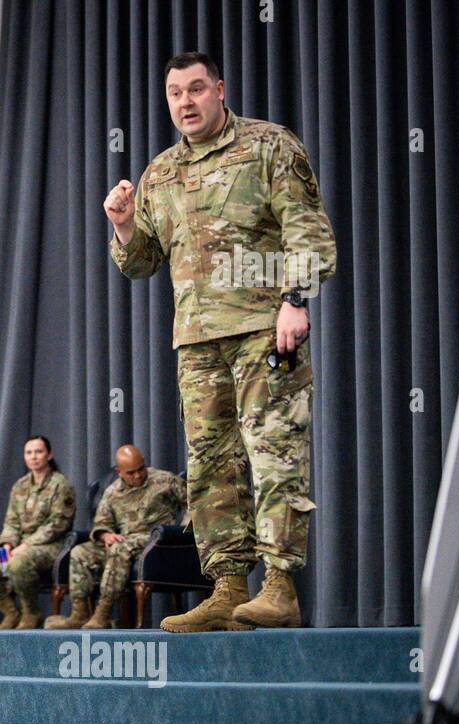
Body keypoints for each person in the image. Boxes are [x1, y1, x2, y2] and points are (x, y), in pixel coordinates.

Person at [104, 51, 335, 631]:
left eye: (196, 89)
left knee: (274, 457)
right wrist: (124, 224)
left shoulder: (268, 145)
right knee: (211, 469)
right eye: (175, 93)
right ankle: (229, 587)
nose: (186, 101)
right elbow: (141, 264)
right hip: (197, 343)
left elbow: (306, 227)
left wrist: (295, 300)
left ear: (220, 90)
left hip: (263, 328)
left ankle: (279, 587)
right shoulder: (160, 173)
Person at [46, 445, 186, 629]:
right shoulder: (112, 492)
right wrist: (105, 535)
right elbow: (101, 522)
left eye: (140, 469)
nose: (137, 476)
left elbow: (192, 502)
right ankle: (80, 614)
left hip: (156, 541)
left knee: (121, 547)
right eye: (131, 473)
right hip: (125, 539)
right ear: (119, 472)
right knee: (80, 552)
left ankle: (103, 613)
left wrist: (182, 531)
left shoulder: (165, 480)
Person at [0, 436, 75, 629]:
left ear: (49, 455)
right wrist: (6, 545)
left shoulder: (61, 485)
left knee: (17, 564)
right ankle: (11, 613)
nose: (34, 457)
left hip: (50, 546)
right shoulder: (20, 486)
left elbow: (58, 524)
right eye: (29, 453)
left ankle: (31, 612)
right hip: (18, 546)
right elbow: (11, 522)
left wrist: (26, 545)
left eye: (38, 452)